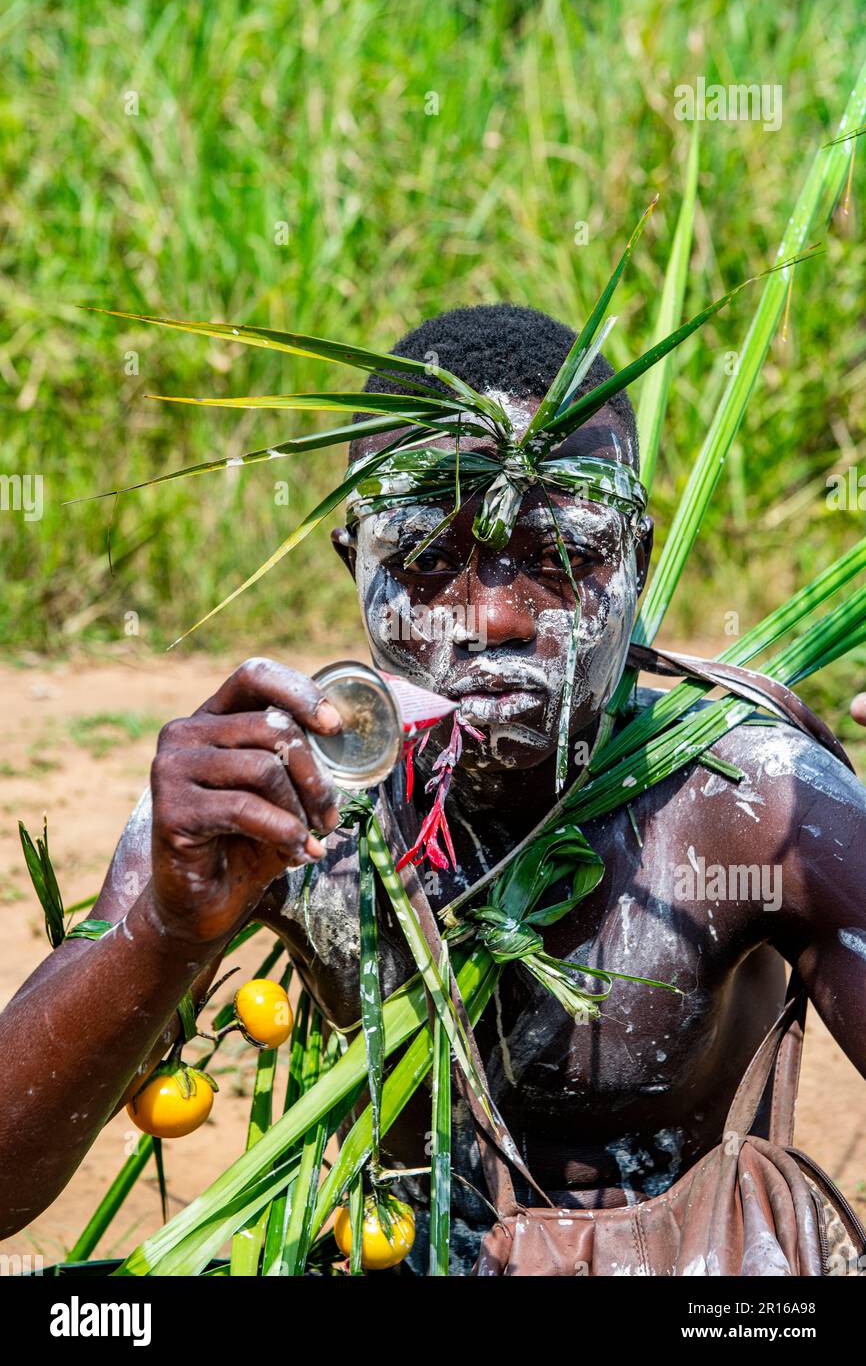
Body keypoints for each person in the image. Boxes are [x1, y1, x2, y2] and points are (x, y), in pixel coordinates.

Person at [1, 305, 864, 1276]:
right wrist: (166, 924)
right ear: (354, 563)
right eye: (425, 559)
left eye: (561, 555)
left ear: (636, 559)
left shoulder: (749, 801)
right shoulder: (276, 798)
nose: (494, 615)